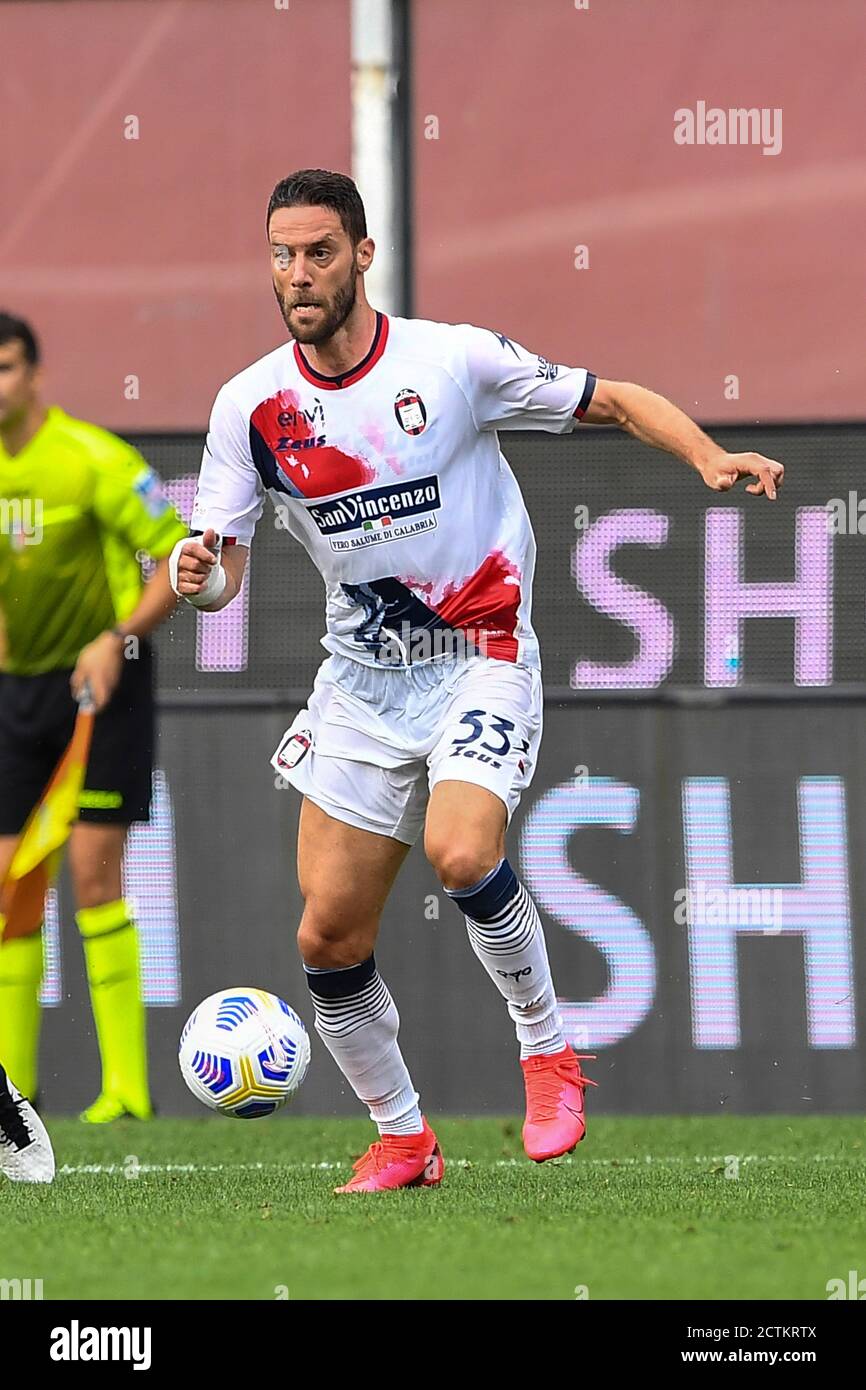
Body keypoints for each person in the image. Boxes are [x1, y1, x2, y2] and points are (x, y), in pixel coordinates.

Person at [170, 169, 784, 1193]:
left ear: (363, 256)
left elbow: (613, 398)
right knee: (326, 934)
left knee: (462, 850)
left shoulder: (452, 362)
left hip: (479, 658)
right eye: (281, 254)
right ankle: (403, 1137)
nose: (297, 273)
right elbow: (221, 573)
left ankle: (546, 1052)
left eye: (319, 251)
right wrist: (197, 579)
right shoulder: (250, 407)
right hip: (360, 683)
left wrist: (706, 456)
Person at [0, 312, 187, 1123]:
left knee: (92, 871)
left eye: (4, 367)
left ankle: (126, 1092)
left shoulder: (92, 458)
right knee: (10, 886)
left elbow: (179, 556)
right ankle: (16, 1098)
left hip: (100, 683)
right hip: (15, 690)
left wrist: (117, 639)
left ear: (35, 373)